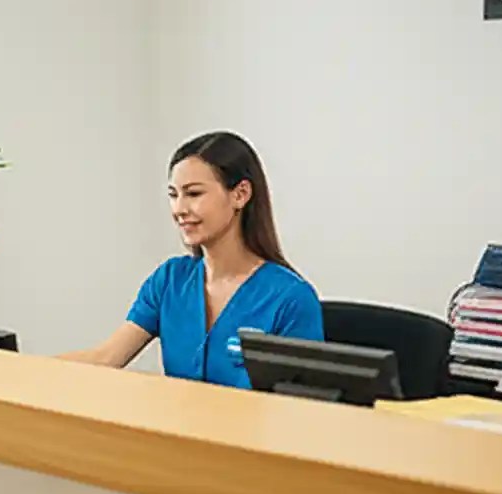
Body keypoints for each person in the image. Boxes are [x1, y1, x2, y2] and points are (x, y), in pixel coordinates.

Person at [61, 131, 322, 388]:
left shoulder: (291, 299)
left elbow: (302, 404)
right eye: (173, 195)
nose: (179, 209)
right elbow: (105, 358)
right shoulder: (169, 280)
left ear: (240, 194)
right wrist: (34, 370)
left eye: (194, 194)